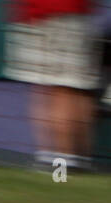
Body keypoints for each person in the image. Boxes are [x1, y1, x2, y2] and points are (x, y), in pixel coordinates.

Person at [6, 0, 102, 169]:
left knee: (44, 89)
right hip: (69, 17)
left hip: (33, 17)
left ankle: (48, 157)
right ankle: (69, 160)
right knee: (68, 90)